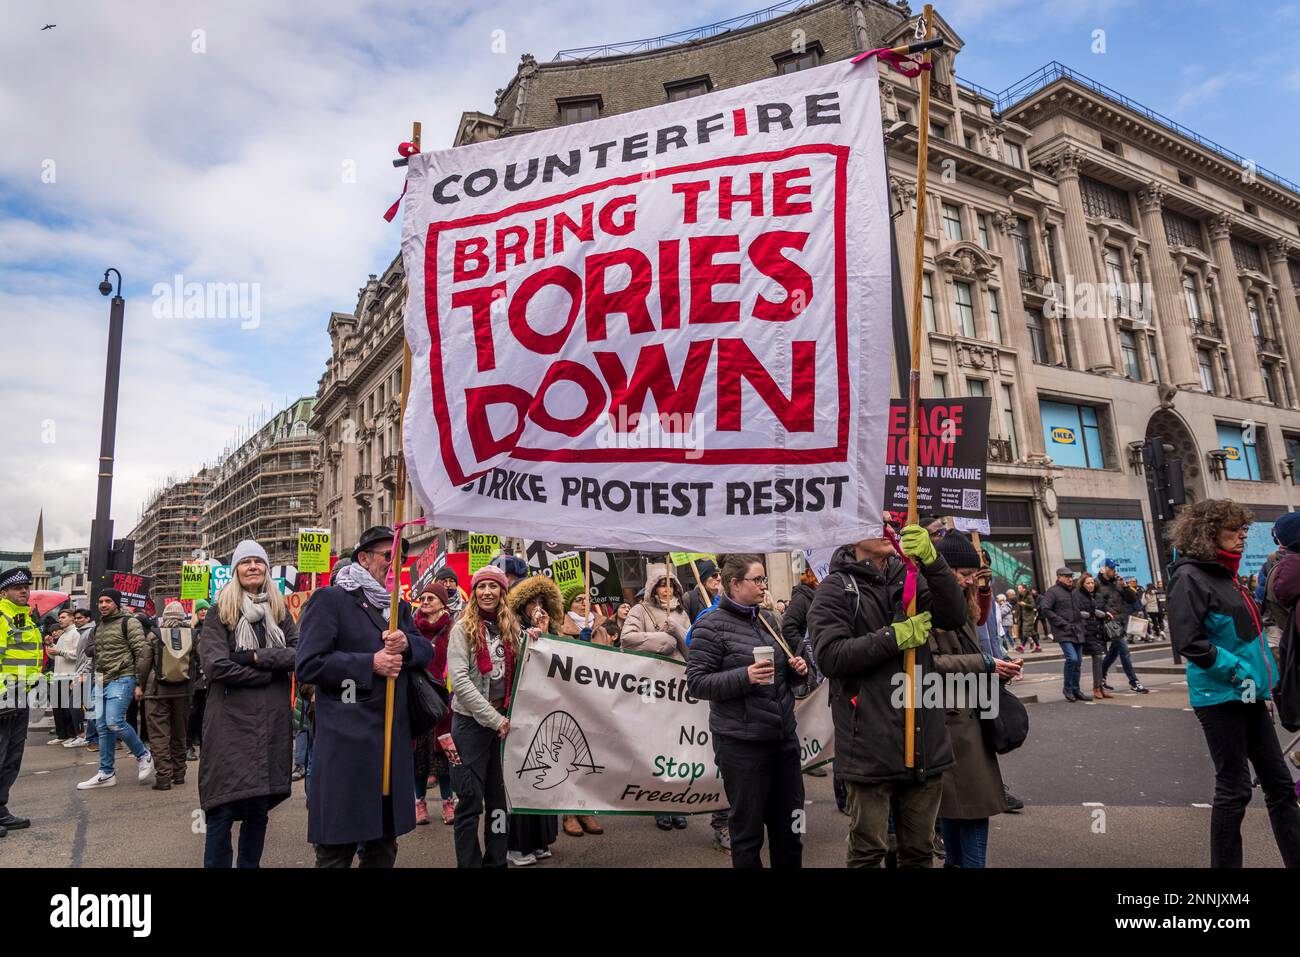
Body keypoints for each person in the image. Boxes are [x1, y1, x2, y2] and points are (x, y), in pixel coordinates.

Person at [806, 521, 968, 868]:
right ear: (852, 533)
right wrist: (893, 637)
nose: (888, 528)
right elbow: (830, 657)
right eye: (874, 522)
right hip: (869, 743)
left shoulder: (911, 575)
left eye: (892, 523)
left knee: (920, 851)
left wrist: (933, 561)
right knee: (869, 851)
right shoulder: (835, 589)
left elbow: (955, 614)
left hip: (922, 736)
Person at [1168, 499, 1300, 868]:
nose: (1243, 536)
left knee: (1279, 785)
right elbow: (1189, 642)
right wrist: (1240, 674)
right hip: (1220, 698)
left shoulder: (1226, 574)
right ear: (1209, 535)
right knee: (1235, 789)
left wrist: (1260, 681)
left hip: (1248, 694)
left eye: (1244, 529)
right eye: (1234, 530)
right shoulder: (1189, 576)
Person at [297, 526, 433, 868]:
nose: (394, 563)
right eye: (388, 556)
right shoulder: (331, 599)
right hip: (347, 745)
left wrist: (406, 644)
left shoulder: (397, 605)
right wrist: (368, 663)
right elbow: (309, 664)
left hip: (389, 743)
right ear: (364, 558)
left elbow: (425, 649)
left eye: (399, 557)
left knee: (383, 847)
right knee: (336, 850)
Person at [686, 554, 811, 868]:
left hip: (782, 741)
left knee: (791, 829)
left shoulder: (768, 618)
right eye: (757, 579)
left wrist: (797, 670)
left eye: (764, 579)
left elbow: (782, 675)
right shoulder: (710, 624)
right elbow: (697, 683)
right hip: (741, 746)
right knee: (747, 834)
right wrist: (745, 676)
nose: (763, 585)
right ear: (734, 583)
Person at [198, 542, 298, 867]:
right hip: (229, 726)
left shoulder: (281, 612)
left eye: (259, 561)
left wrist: (256, 656)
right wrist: (266, 675)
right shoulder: (219, 613)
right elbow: (216, 666)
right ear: (236, 569)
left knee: (258, 808)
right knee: (222, 809)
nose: (253, 566)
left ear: (266, 569)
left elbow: (299, 655)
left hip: (270, 724)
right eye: (246, 562)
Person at [929, 532, 1022, 867]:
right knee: (970, 809)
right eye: (964, 573)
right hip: (949, 720)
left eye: (974, 573)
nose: (970, 579)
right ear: (945, 570)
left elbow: (976, 639)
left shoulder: (962, 600)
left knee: (962, 810)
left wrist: (997, 667)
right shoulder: (928, 603)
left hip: (969, 715)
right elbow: (929, 663)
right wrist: (984, 664)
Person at [446, 565, 522, 867]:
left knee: (499, 804)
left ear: (502, 593)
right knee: (469, 803)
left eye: (493, 587)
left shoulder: (511, 628)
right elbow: (460, 682)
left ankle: (497, 860)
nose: (487, 592)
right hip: (471, 724)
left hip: (502, 724)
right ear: (474, 593)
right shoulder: (461, 629)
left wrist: (536, 636)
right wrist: (494, 718)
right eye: (481, 587)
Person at [621, 563, 691, 832]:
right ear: (653, 588)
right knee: (657, 747)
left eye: (671, 585)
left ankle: (678, 803)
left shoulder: (682, 613)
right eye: (662, 584)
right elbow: (627, 639)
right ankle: (659, 804)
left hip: (679, 690)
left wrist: (679, 631)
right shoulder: (640, 610)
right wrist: (663, 639)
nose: (666, 589)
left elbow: (693, 647)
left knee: (678, 748)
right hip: (651, 688)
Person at [502, 574, 562, 864]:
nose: (538, 607)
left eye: (541, 602)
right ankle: (518, 844)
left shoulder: (549, 626)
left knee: (545, 773)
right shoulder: (511, 628)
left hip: (545, 707)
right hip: (520, 707)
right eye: (532, 602)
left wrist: (548, 632)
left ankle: (540, 839)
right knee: (524, 775)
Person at [77, 587, 154, 790]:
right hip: (101, 680)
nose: (103, 605)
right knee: (102, 727)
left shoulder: (130, 622)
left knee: (114, 722)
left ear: (117, 603)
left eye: (108, 601)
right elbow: (95, 653)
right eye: (101, 601)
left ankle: (143, 755)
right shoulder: (99, 626)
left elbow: (142, 653)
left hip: (123, 677)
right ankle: (106, 773)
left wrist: (139, 683)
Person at [0, 567, 44, 835]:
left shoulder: (24, 619)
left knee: (12, 758)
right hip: (5, 697)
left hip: (20, 696)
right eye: (18, 588)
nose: (24, 591)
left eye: (26, 587)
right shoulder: (2, 616)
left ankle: (0, 809)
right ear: (3, 592)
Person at [413, 582, 455, 827]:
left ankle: (448, 801)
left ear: (442, 603)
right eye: (423, 598)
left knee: (444, 757)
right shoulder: (413, 629)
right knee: (419, 758)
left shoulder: (453, 629)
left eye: (431, 598)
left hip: (444, 701)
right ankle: (420, 802)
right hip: (419, 701)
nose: (425, 602)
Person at [140, 602, 194, 790]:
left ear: (165, 616)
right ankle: (179, 773)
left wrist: (140, 686)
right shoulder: (193, 635)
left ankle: (163, 777)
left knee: (159, 735)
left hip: (157, 691)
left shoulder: (155, 635)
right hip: (184, 691)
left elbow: (144, 664)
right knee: (180, 732)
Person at [1039, 568, 1086, 702]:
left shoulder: (1075, 592)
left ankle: (1076, 690)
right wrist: (1061, 623)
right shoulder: (1052, 592)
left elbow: (1081, 608)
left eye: (1071, 576)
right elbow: (1045, 609)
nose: (1070, 579)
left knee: (1079, 662)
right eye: (1066, 576)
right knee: (1072, 659)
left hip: (1077, 630)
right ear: (1059, 577)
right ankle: (1067, 688)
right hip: (1063, 630)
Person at [46, 609, 84, 745]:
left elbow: (77, 655)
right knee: (57, 708)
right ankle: (61, 734)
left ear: (72, 619)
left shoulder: (75, 634)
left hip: (69, 675)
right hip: (58, 675)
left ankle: (73, 734)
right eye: (59, 617)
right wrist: (50, 645)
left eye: (63, 617)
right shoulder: (62, 636)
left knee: (69, 708)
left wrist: (59, 651)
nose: (60, 620)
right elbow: (54, 655)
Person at [1078, 575, 1113, 700]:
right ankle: (1096, 688)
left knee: (1100, 659)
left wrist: (1105, 613)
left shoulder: (1098, 595)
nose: (1091, 585)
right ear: (1082, 584)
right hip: (1088, 631)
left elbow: (1104, 609)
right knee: (1097, 657)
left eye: (1092, 583)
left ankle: (1100, 687)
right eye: (1088, 583)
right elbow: (1076, 611)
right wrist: (1083, 614)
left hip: (1100, 631)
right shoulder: (1079, 596)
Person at [186, 599, 210, 762]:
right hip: (194, 679)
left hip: (208, 678)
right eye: (200, 610)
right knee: (191, 714)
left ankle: (204, 747)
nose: (203, 612)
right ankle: (188, 747)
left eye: (205, 609)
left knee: (204, 715)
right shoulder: (191, 631)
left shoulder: (213, 630)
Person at [70, 607, 95, 750]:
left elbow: (90, 658)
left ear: (87, 619)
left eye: (80, 618)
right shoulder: (83, 632)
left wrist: (81, 675)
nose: (77, 620)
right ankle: (87, 736)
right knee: (87, 706)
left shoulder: (89, 632)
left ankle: (83, 736)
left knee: (76, 704)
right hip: (83, 673)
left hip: (86, 674)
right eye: (76, 618)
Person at [683, 558, 721, 624]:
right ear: (704, 580)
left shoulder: (725, 598)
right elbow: (685, 627)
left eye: (720, 574)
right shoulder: (690, 598)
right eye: (714, 575)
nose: (719, 578)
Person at [1015, 583, 1041, 653]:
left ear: (1024, 589)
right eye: (1018, 588)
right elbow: (1018, 608)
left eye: (1019, 588)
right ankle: (1038, 647)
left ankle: (1022, 647)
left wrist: (1025, 604)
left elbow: (1033, 605)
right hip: (1023, 618)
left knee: (1025, 632)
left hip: (1029, 617)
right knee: (1032, 633)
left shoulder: (1029, 596)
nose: (1018, 589)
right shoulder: (1020, 596)